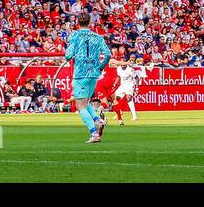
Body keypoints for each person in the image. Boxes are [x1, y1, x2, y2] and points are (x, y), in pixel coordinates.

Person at [64, 14, 112, 143]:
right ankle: (98, 120)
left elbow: (68, 56)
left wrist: (72, 52)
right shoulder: (97, 37)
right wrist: (101, 67)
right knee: (85, 103)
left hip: (80, 73)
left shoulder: (74, 36)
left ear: (78, 23)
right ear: (90, 22)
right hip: (94, 74)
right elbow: (107, 54)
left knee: (80, 106)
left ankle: (94, 133)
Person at [112, 58, 152, 124]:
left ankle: (134, 116)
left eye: (124, 63)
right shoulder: (118, 68)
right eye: (121, 63)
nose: (122, 65)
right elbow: (118, 77)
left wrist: (137, 88)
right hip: (122, 85)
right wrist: (114, 84)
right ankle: (119, 112)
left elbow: (136, 78)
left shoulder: (130, 69)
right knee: (115, 98)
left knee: (128, 98)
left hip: (130, 85)